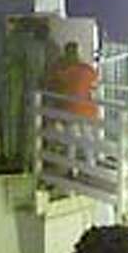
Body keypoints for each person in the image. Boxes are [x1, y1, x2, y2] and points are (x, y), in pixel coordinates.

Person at [45, 41, 100, 174]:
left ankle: (71, 168)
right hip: (87, 109)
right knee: (87, 138)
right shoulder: (87, 69)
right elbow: (94, 82)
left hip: (70, 109)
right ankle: (91, 166)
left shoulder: (65, 71)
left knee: (72, 140)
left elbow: (55, 81)